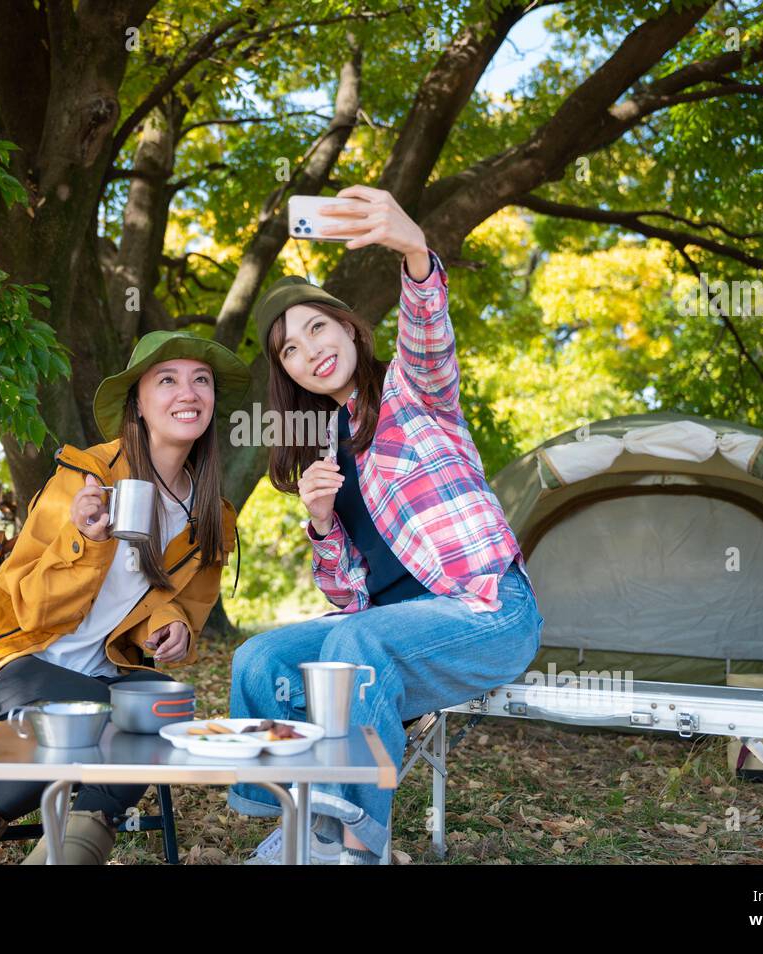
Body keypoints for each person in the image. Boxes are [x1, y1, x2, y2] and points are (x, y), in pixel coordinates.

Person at [228, 185, 543, 864]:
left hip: (487, 612)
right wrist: (320, 523)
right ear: (286, 374)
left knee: (357, 649)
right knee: (259, 660)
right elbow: (347, 601)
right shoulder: (320, 452)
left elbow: (428, 332)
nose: (309, 350)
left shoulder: (411, 391)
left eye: (318, 328)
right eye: (289, 349)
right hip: (391, 634)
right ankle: (298, 815)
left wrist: (412, 249)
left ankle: (350, 843)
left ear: (348, 328)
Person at [0, 330, 249, 864]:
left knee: (163, 711)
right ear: (139, 404)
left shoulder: (210, 515)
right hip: (4, 648)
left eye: (201, 381)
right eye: (166, 380)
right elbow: (30, 603)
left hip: (95, 668)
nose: (187, 393)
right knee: (93, 718)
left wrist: (173, 626)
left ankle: (65, 854)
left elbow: (183, 602)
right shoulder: (86, 478)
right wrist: (86, 541)